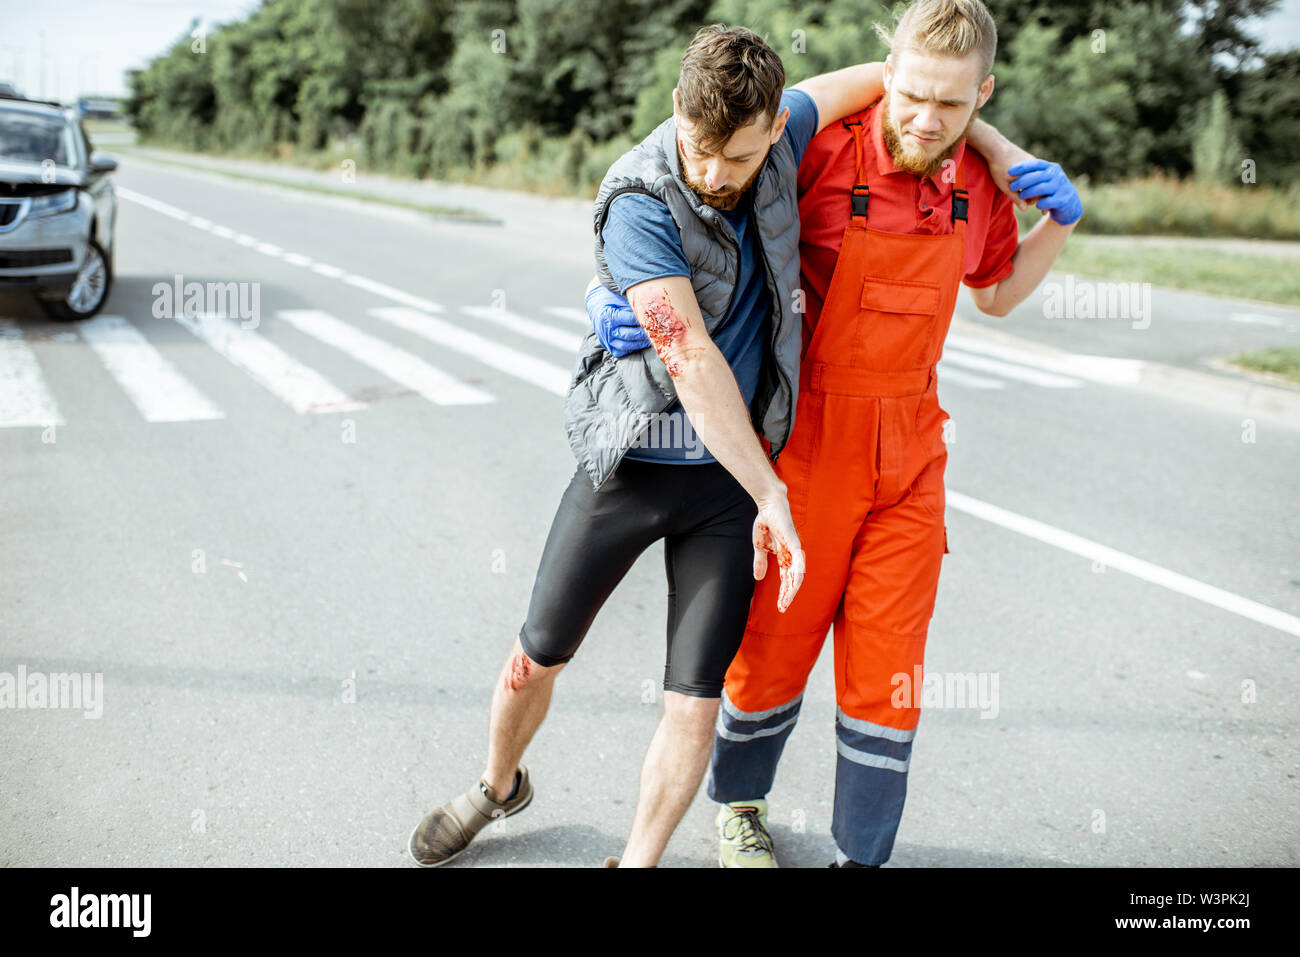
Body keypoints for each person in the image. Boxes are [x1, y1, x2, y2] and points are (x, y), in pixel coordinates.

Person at [587, 0, 1082, 868]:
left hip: (913, 459)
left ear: (983, 97)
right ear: (886, 73)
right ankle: (739, 804)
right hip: (807, 441)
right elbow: (703, 192)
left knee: (891, 672)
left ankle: (864, 851)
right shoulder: (815, 150)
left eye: (956, 106)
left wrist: (1059, 224)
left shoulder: (974, 181)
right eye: (915, 94)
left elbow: (997, 293)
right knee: (773, 646)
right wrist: (613, 293)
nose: (930, 120)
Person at [409, 24, 894, 869]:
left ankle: (636, 862)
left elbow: (897, 77)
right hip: (633, 462)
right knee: (537, 653)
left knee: (695, 702)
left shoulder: (785, 136)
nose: (715, 176)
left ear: (776, 128)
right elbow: (691, 357)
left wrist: (992, 142)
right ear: (678, 109)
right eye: (702, 149)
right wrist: (774, 492)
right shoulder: (637, 197)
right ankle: (495, 785)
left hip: (724, 489)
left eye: (739, 158)